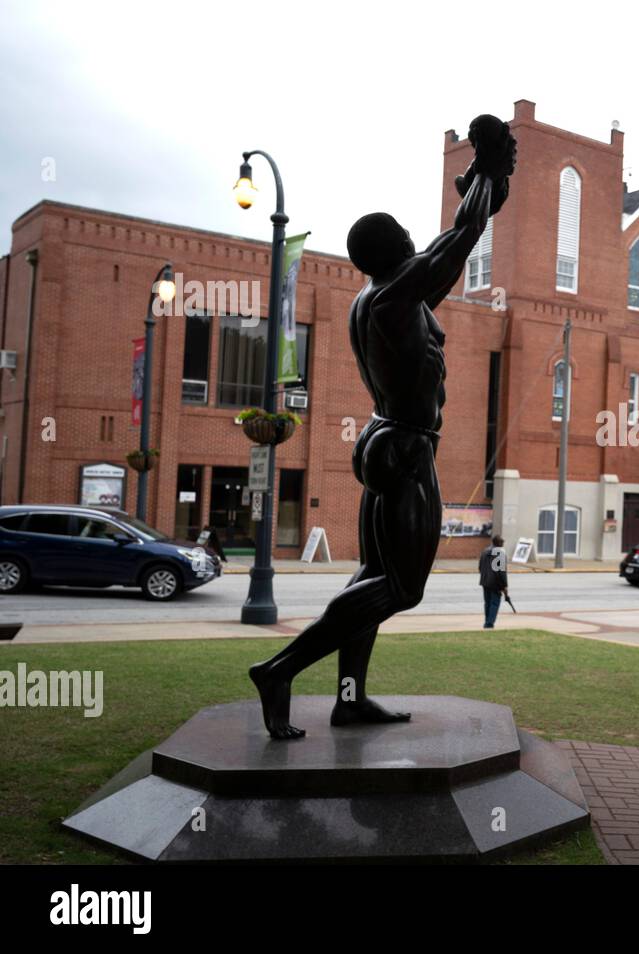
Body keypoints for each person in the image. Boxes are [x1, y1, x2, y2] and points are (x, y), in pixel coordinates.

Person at [248, 115, 517, 740]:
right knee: (401, 587)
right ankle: (279, 669)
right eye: (403, 234)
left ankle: (349, 697)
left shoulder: (374, 297)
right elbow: (465, 231)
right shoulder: (397, 295)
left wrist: (484, 178)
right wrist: (491, 166)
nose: (412, 240)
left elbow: (459, 231)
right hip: (405, 449)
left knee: (372, 577)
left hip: (385, 438)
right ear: (393, 246)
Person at [478, 534, 508, 629]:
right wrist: (504, 586)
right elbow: (501, 573)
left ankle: (487, 621)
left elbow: (480, 567)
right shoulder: (500, 553)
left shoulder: (485, 551)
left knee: (487, 602)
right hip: (495, 583)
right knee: (494, 603)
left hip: (485, 581)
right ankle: (489, 623)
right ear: (500, 543)